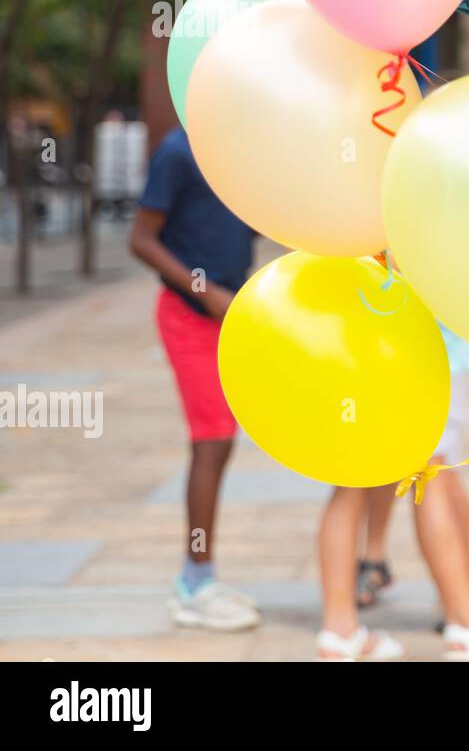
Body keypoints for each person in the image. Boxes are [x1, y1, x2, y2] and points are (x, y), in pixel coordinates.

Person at [315, 327, 469, 661]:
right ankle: (467, 623)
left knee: (349, 479)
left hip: (356, 344)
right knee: (431, 470)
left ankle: (339, 631)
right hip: (424, 346)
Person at [130, 125, 258, 631]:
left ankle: (200, 576)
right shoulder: (178, 152)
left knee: (222, 440)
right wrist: (204, 292)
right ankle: (195, 582)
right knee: (213, 441)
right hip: (190, 315)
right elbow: (140, 239)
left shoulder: (242, 149)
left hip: (232, 312)